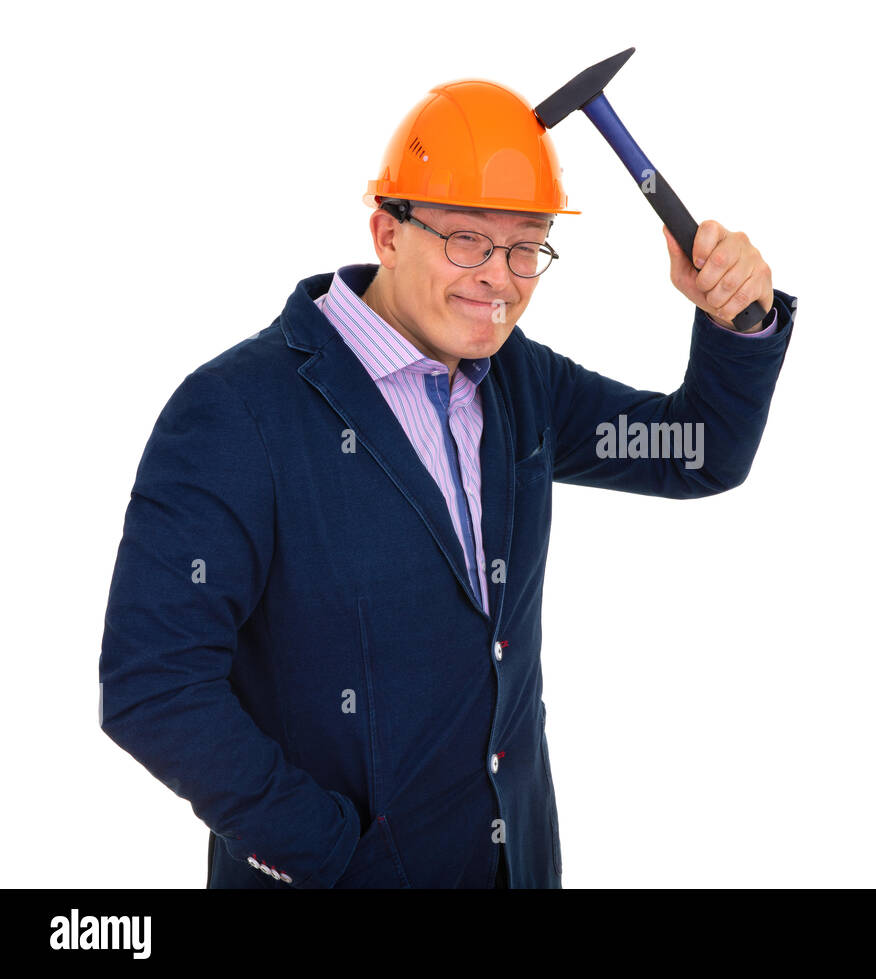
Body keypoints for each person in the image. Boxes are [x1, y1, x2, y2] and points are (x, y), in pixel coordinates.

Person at [99, 78, 797, 888]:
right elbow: (153, 682)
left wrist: (736, 320)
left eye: (526, 246)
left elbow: (694, 448)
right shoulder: (237, 412)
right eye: (466, 239)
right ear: (386, 233)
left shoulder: (516, 382)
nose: (499, 279)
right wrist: (329, 852)